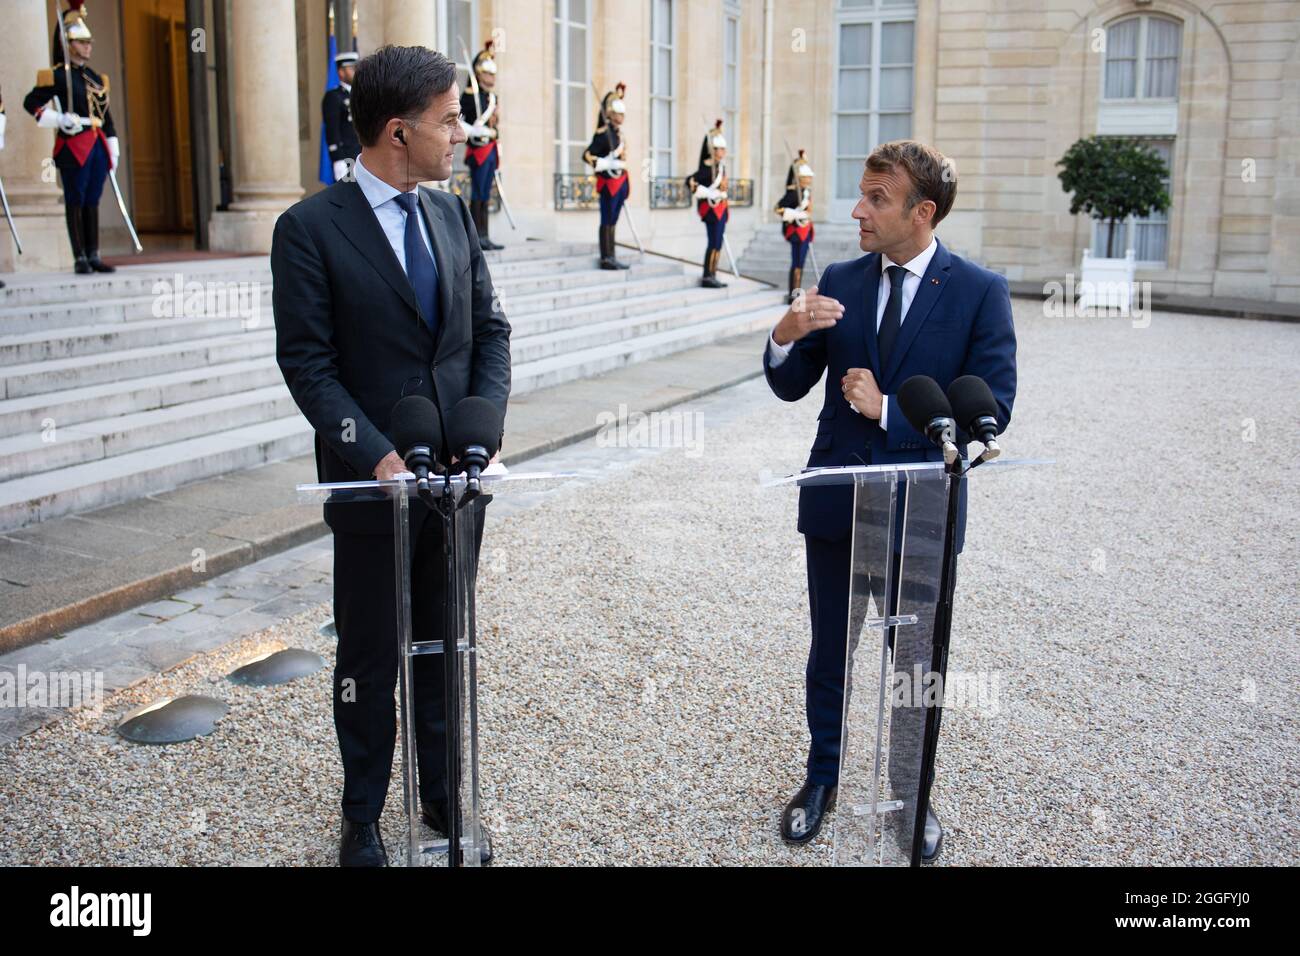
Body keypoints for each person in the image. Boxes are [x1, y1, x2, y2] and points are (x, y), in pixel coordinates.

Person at [271, 44, 512, 867]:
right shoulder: (307, 229)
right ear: (399, 131)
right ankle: (362, 816)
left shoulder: (450, 214)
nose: (465, 133)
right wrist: (375, 458)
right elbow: (309, 366)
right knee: (370, 663)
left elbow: (492, 334)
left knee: (446, 649)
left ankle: (444, 802)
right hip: (373, 492)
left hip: (457, 487)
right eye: (451, 119)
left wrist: (483, 434)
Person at [763, 140, 1017, 859]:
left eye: (877, 198)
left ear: (922, 211)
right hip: (837, 511)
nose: (857, 210)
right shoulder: (841, 276)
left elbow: (990, 405)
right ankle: (822, 780)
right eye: (862, 193)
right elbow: (789, 383)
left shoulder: (978, 292)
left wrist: (888, 413)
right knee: (830, 655)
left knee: (915, 667)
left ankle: (912, 793)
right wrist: (785, 333)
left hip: (922, 515)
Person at [23, 6, 119, 275]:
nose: (87, 47)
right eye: (81, 42)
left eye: (89, 43)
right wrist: (58, 119)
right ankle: (79, 256)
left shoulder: (95, 78)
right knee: (75, 198)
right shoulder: (55, 75)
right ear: (68, 43)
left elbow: (106, 116)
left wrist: (113, 145)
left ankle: (94, 253)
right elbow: (31, 104)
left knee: (92, 199)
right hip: (74, 144)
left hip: (96, 143)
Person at [459, 40, 503, 251]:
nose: (491, 78)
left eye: (493, 74)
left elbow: (496, 126)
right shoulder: (469, 96)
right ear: (478, 73)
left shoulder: (492, 98)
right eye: (488, 74)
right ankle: (475, 236)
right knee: (477, 193)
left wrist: (493, 131)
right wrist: (476, 131)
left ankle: (485, 234)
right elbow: (459, 122)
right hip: (478, 150)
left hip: (491, 149)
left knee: (486, 193)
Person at [583, 82, 630, 270]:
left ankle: (612, 255)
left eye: (622, 114)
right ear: (609, 113)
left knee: (614, 221)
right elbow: (587, 155)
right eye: (617, 113)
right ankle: (605, 257)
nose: (620, 117)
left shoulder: (619, 135)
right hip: (608, 183)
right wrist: (606, 163)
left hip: (619, 182)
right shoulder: (603, 135)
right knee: (606, 219)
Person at [686, 120, 730, 288]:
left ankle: (713, 273)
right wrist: (709, 193)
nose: (723, 152)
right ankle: (707, 275)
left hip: (721, 208)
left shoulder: (720, 167)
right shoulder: (706, 168)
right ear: (713, 149)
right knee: (713, 242)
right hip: (711, 210)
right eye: (721, 149)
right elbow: (691, 182)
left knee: (718, 243)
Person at [775, 150, 815, 304]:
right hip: (796, 231)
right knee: (796, 262)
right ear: (800, 178)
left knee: (801, 263)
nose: (809, 179)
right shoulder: (793, 193)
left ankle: (797, 291)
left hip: (804, 230)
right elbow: (778, 208)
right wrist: (797, 214)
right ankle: (793, 293)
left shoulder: (806, 192)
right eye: (807, 177)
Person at [322, 50, 361, 182]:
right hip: (346, 157)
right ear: (341, 72)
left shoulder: (360, 95)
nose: (355, 72)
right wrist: (337, 158)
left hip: (363, 156)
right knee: (348, 196)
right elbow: (332, 129)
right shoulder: (334, 96)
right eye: (351, 68)